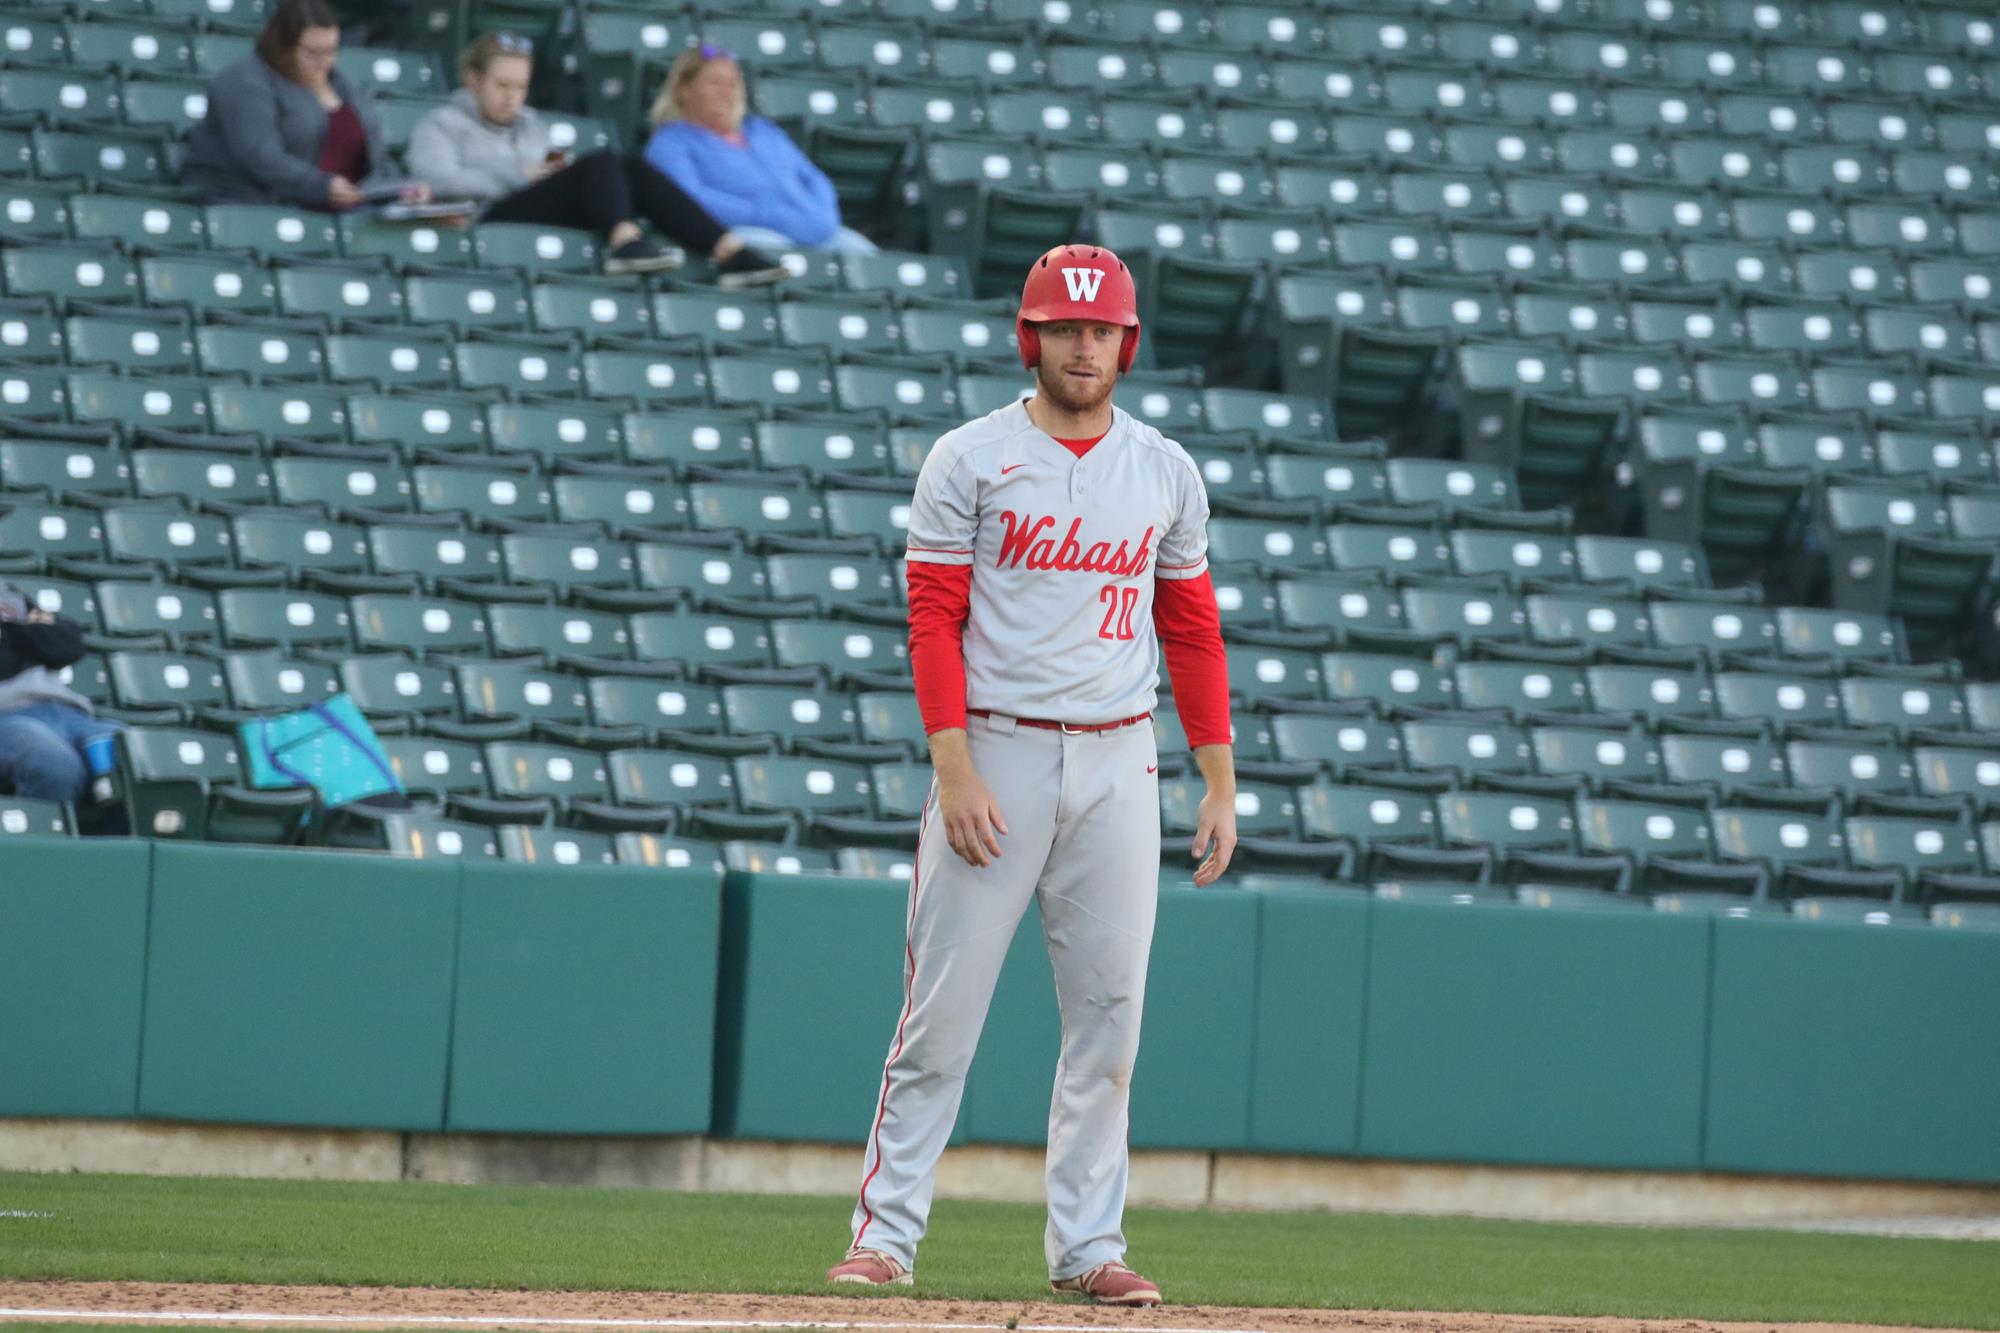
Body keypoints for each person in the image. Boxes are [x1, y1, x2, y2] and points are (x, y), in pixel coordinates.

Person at [826, 246, 1237, 1305]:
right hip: (997, 747)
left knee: (1109, 1025)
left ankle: (1088, 1247)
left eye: (1101, 329)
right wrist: (952, 765)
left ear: (1126, 342)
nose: (1084, 343)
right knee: (940, 1019)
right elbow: (931, 617)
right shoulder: (969, 456)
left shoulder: (1164, 469)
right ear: (1032, 336)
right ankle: (883, 1235)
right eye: (1065, 326)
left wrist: (1216, 778)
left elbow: (1189, 629)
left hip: (1116, 754)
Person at [405, 33, 788, 284]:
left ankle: (728, 250)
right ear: (474, 81)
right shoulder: (441, 123)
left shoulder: (531, 124)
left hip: (533, 207)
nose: (512, 97)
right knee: (602, 162)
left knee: (631, 166)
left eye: (520, 87)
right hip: (484, 217)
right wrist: (518, 174)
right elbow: (434, 180)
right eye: (502, 85)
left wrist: (551, 170)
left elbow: (546, 168)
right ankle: (623, 243)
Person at [180, 0, 428, 213]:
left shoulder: (340, 84)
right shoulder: (245, 81)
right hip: (256, 203)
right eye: (313, 52)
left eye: (331, 51)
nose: (324, 61)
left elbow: (374, 155)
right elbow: (260, 156)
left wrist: (399, 189)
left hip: (341, 207)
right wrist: (322, 186)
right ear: (283, 46)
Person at [643, 44, 878, 255]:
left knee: (868, 258)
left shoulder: (762, 130)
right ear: (684, 89)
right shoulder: (670, 142)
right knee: (777, 258)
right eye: (714, 83)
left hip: (813, 228)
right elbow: (688, 200)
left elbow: (813, 177)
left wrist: (824, 214)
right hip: (742, 232)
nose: (726, 93)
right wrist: (766, 215)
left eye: (733, 84)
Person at [0, 583, 119, 806]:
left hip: (70, 713)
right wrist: (30, 633)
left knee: (131, 754)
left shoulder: (7, 592)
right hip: (8, 718)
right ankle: (39, 840)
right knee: (57, 766)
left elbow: (68, 644)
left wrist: (10, 633)